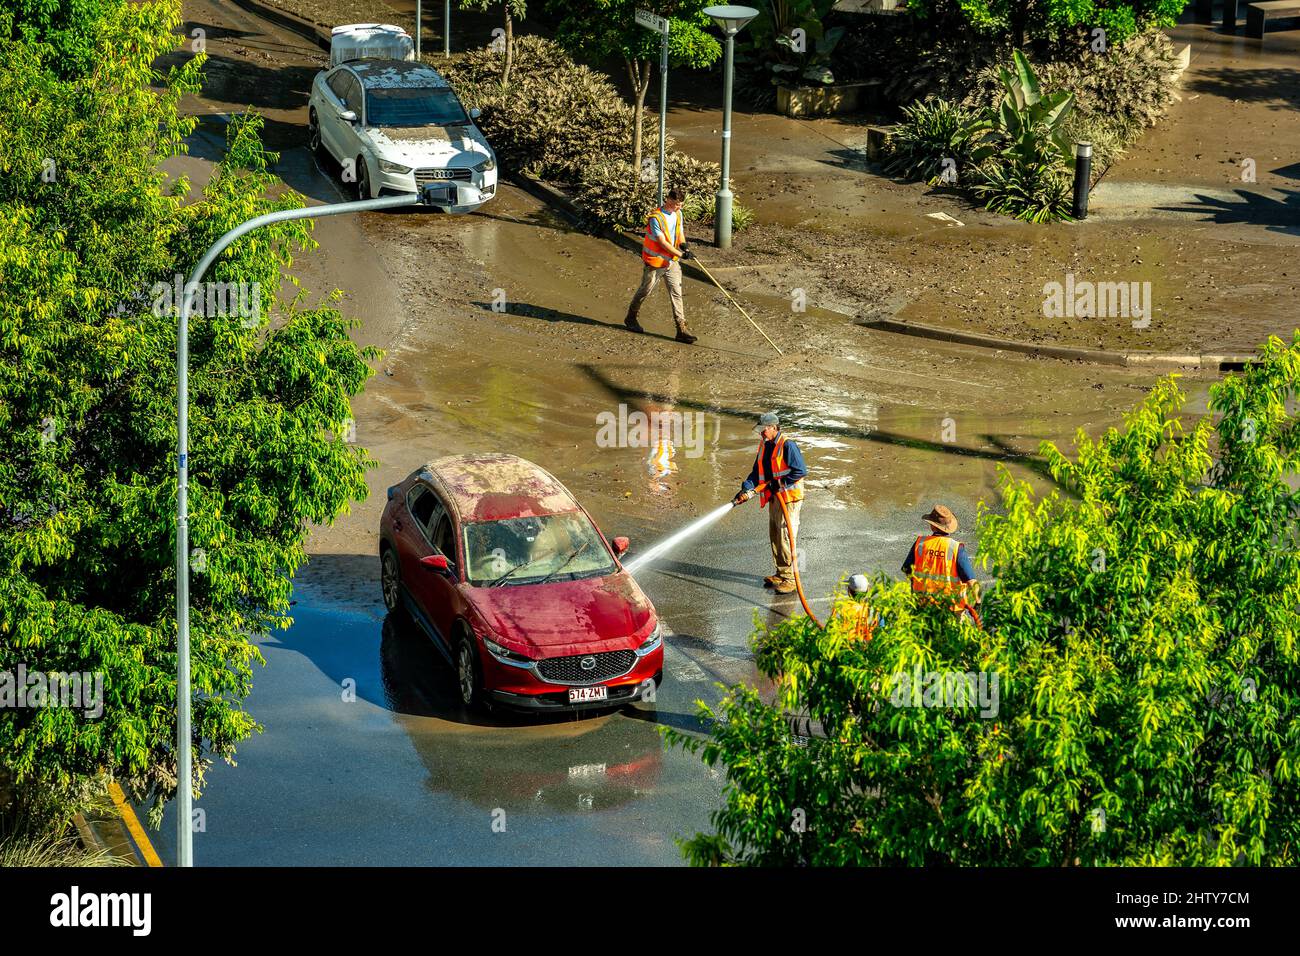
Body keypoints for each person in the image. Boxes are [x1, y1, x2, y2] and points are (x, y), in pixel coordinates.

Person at [733, 412, 806, 594]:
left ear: (774, 427)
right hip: (775, 498)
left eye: (764, 430)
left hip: (789, 498)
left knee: (785, 537)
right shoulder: (765, 446)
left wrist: (777, 484)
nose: (761, 433)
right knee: (775, 537)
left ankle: (790, 579)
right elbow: (757, 473)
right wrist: (746, 489)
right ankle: (781, 573)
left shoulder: (788, 445)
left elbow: (800, 470)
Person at [624, 187, 697, 345]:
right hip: (655, 263)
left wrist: (684, 245)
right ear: (669, 200)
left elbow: (679, 231)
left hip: (671, 262)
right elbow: (662, 242)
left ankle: (681, 330)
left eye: (681, 204)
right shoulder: (655, 218)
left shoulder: (678, 213)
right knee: (645, 290)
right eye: (677, 204)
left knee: (676, 293)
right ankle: (631, 318)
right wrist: (681, 254)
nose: (680, 207)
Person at [902, 505, 981, 625]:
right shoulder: (956, 548)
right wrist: (978, 601)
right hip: (951, 610)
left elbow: (907, 570)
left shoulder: (920, 543)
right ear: (949, 527)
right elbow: (971, 581)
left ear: (932, 525)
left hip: (922, 607)